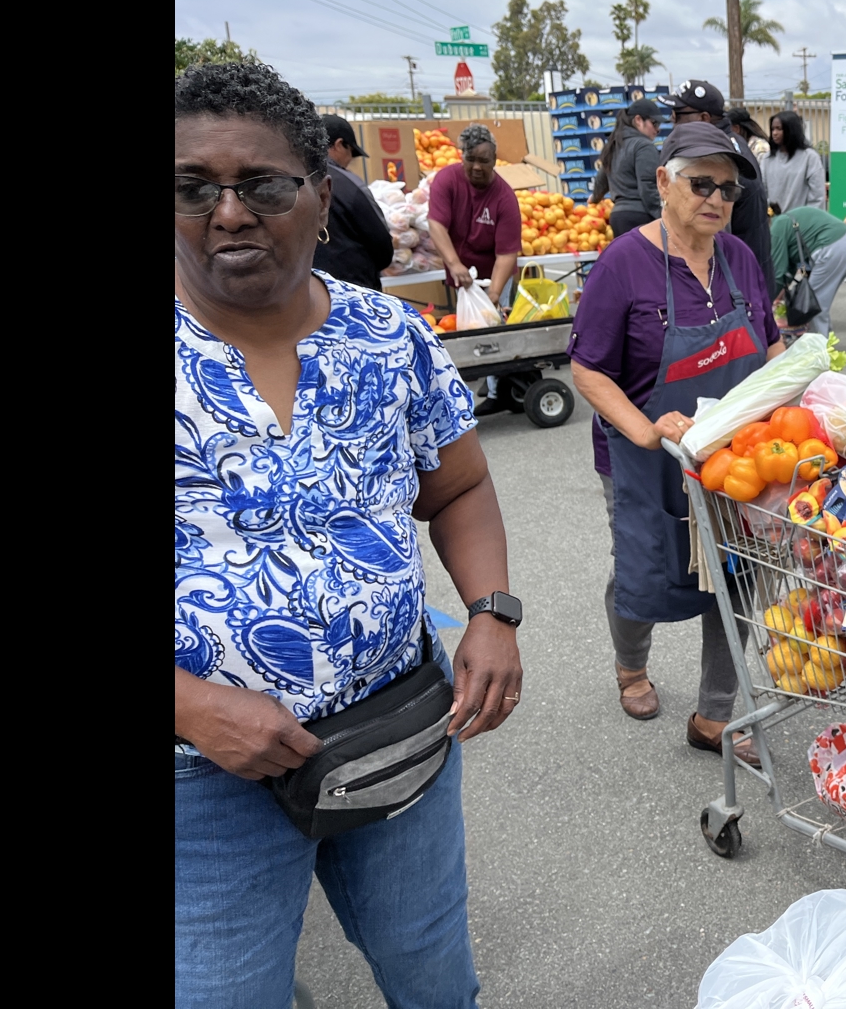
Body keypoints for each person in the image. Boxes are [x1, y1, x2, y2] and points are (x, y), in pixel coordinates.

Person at [175, 62, 523, 1008]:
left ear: (322, 197)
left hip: (392, 726)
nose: (229, 212)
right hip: (198, 781)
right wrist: (190, 707)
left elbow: (458, 486)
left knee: (431, 973)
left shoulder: (387, 334)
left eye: (262, 185)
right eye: (193, 187)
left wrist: (491, 614)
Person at [565, 122, 784, 763]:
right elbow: (587, 367)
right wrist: (643, 429)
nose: (716, 198)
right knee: (645, 571)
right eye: (700, 183)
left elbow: (769, 343)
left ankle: (713, 716)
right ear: (663, 182)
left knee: (736, 576)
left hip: (731, 457)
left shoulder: (738, 257)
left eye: (728, 188)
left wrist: (792, 401)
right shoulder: (622, 264)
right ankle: (630, 666)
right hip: (645, 458)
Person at [426, 123, 524, 413]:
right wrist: (454, 264)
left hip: (495, 273)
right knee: (469, 329)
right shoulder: (447, 180)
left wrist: (493, 293)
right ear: (462, 157)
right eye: (472, 159)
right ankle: (490, 383)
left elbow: (507, 253)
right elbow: (436, 225)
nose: (478, 167)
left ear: (495, 160)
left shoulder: (505, 197)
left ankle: (499, 392)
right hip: (462, 275)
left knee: (494, 326)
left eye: (485, 160)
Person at [660, 81, 776, 295]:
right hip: (747, 276)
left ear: (704, 118)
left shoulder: (717, 158)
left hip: (736, 284)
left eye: (678, 114)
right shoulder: (733, 142)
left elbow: (714, 235)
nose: (672, 121)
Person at [312, 114, 393, 290]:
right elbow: (382, 244)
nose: (350, 161)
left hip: (307, 289)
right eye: (351, 153)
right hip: (352, 286)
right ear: (339, 145)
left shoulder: (291, 177)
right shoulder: (346, 184)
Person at [770, 204, 846, 335]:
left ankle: (818, 351)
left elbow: (778, 275)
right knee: (818, 302)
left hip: (832, 247)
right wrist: (785, 293)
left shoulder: (775, 228)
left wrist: (766, 304)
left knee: (811, 306)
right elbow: (802, 268)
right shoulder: (786, 220)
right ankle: (826, 343)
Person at [599, 98, 668, 236]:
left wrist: (594, 199)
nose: (658, 129)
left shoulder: (615, 144)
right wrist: (664, 218)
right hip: (641, 217)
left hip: (617, 217)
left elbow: (602, 178)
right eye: (654, 123)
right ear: (638, 120)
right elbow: (648, 186)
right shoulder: (643, 146)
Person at [764, 110, 826, 214]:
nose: (774, 133)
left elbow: (817, 197)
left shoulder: (810, 158)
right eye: (772, 129)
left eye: (779, 129)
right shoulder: (767, 159)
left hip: (802, 224)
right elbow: (763, 192)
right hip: (774, 223)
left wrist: (807, 222)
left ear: (791, 130)